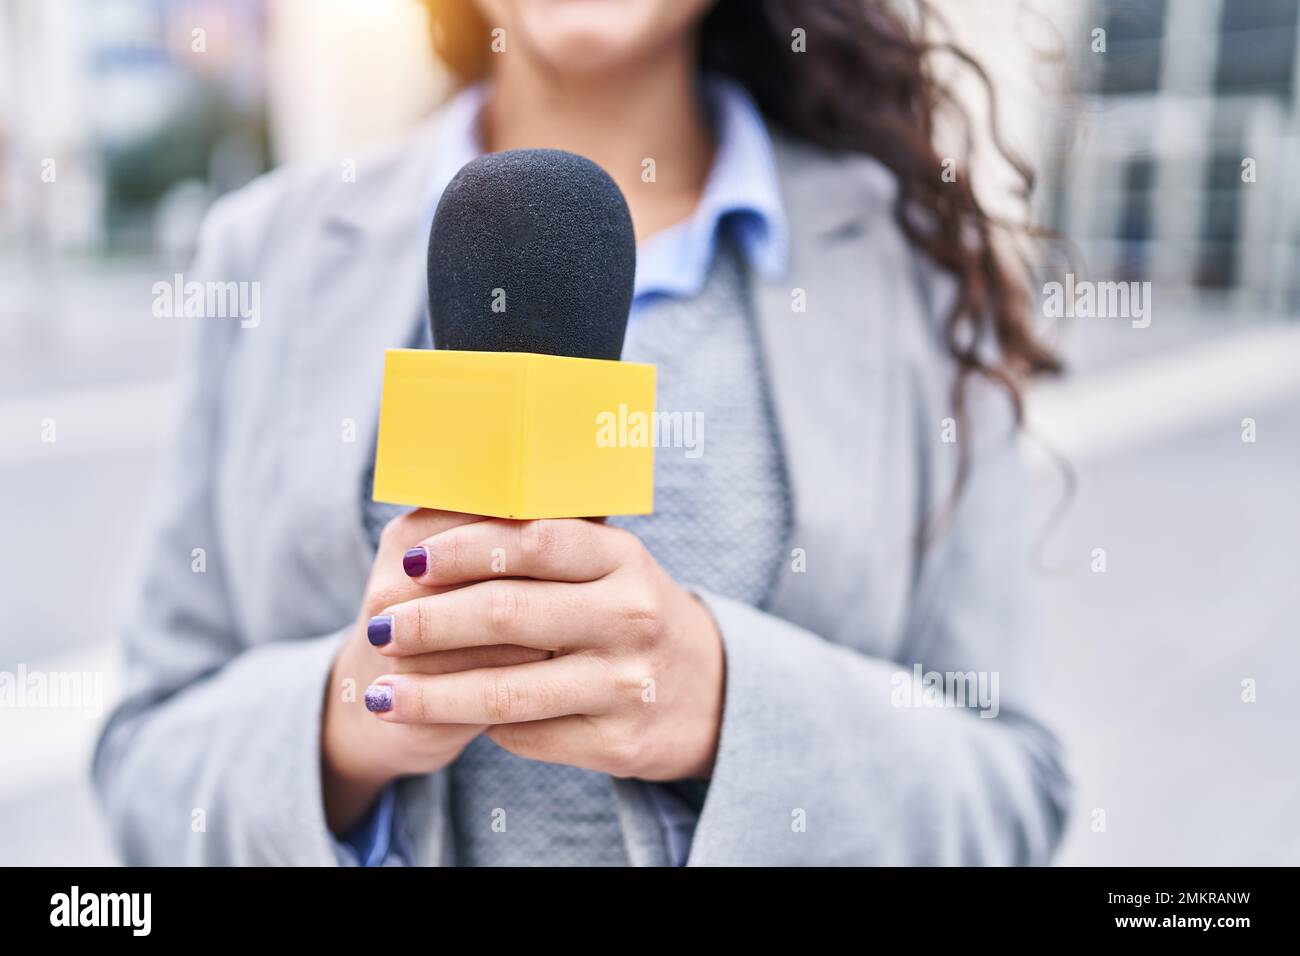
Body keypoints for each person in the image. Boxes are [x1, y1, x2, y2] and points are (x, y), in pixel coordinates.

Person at [94, 0, 1070, 865]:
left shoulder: (918, 266)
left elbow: (1012, 792)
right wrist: (343, 719)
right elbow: (143, 763)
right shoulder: (269, 252)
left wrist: (732, 711)